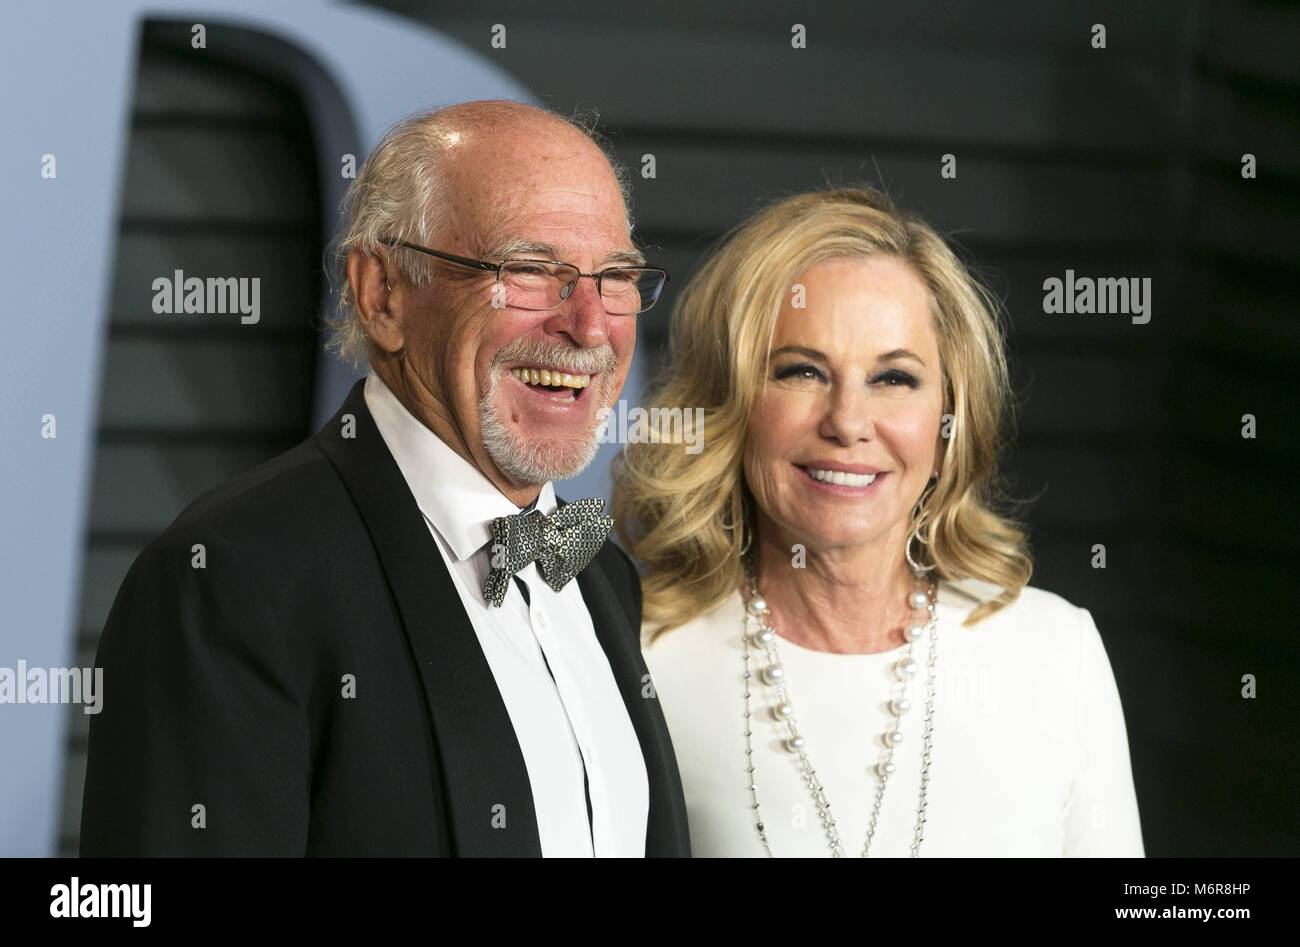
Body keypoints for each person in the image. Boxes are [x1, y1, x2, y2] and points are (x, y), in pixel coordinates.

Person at [80, 100, 690, 857]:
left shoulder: (601, 575)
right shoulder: (228, 583)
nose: (591, 327)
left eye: (616, 277)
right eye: (531, 272)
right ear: (383, 294)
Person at [614, 186, 1143, 857]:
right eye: (802, 370)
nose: (848, 422)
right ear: (731, 401)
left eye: (893, 378)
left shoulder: (1056, 653)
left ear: (951, 418)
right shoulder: (639, 659)